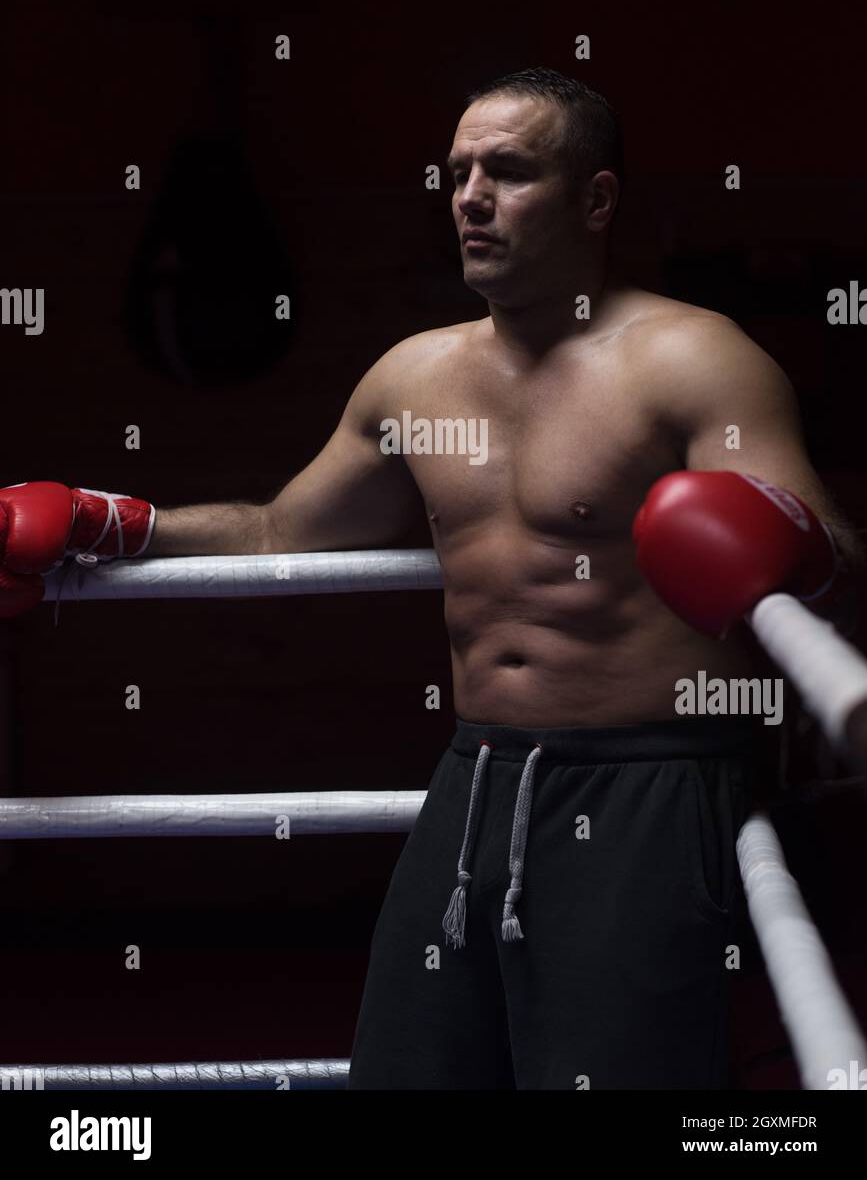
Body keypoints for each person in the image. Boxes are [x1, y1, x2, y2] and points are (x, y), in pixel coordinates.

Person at [0, 67, 861, 1089]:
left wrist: (790, 539)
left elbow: (831, 560)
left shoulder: (693, 359)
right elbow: (282, 529)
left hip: (651, 782)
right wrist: (115, 526)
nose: (470, 198)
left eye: (508, 171)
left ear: (595, 199)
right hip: (473, 776)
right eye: (456, 174)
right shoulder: (414, 376)